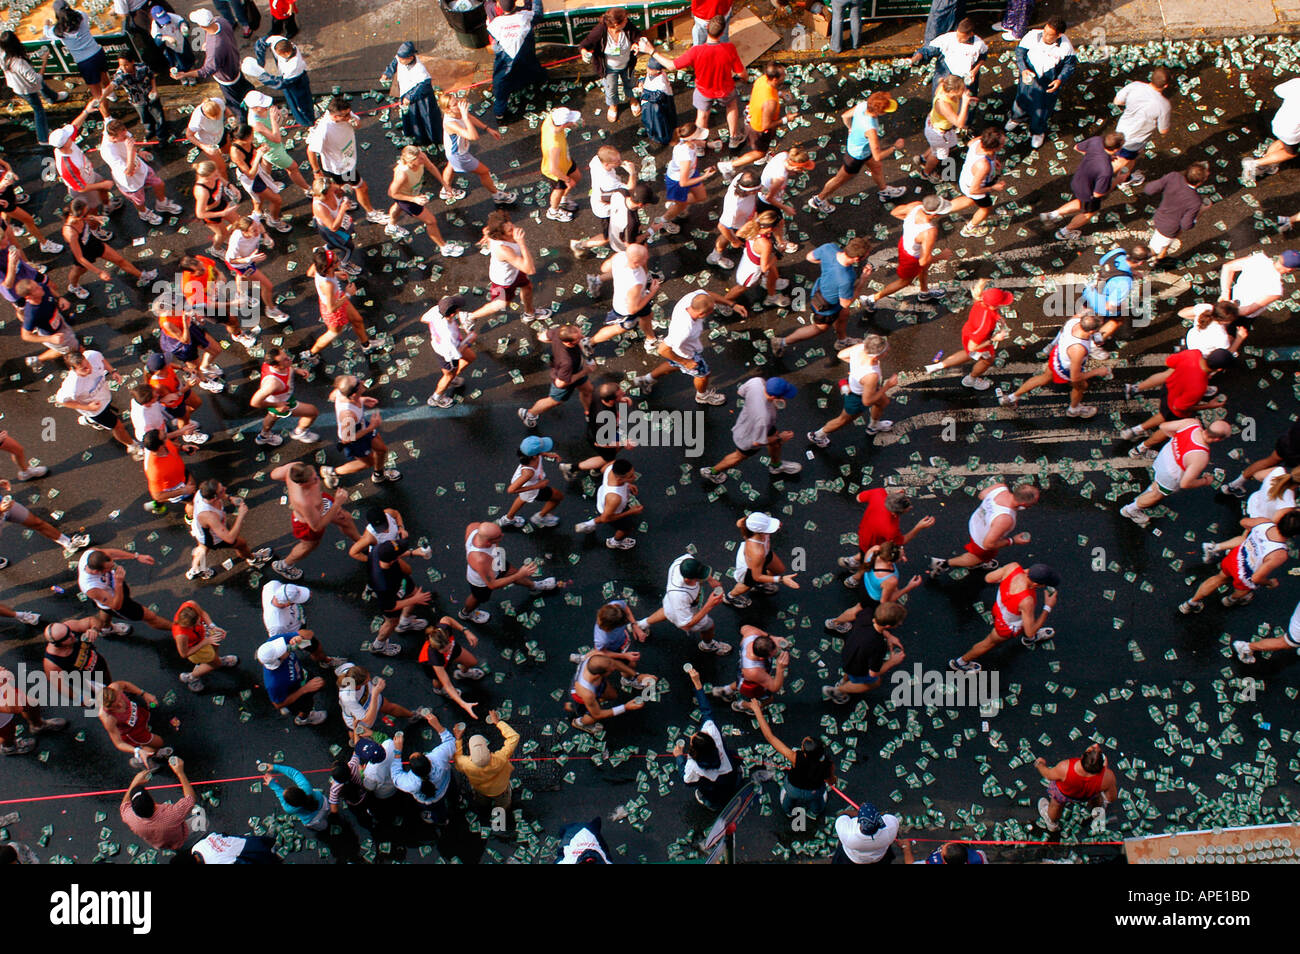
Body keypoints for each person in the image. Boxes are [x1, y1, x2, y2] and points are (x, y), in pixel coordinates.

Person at [633, 290, 742, 406]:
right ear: (702, 314)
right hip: (686, 354)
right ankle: (702, 395)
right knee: (703, 375)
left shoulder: (691, 299)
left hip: (678, 349)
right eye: (711, 310)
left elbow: (708, 295)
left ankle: (646, 380)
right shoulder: (685, 329)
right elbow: (662, 349)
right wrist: (686, 362)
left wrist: (732, 304)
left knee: (674, 364)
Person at [1119, 347, 1231, 458]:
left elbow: (1170, 361)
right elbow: (1179, 407)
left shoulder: (1193, 354)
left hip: (1168, 391)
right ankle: (1140, 449)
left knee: (1163, 414)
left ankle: (1135, 430)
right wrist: (1208, 406)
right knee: (1167, 430)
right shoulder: (1199, 386)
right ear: (1219, 369)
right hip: (1176, 411)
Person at [1179, 511, 1300, 613]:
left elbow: (1243, 522)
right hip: (1245, 574)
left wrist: (1251, 533)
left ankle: (1191, 602)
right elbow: (1256, 578)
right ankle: (1230, 600)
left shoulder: (1264, 522)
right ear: (1294, 535)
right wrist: (1270, 583)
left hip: (1235, 557)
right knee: (1243, 590)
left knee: (1219, 578)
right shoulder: (1280, 554)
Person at [655, 16, 746, 148]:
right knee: (731, 106)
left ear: (707, 28)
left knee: (702, 115)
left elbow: (671, 65)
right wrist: (745, 79)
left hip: (704, 90)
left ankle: (699, 146)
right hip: (725, 89)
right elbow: (741, 73)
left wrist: (652, 52)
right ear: (722, 32)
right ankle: (733, 138)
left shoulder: (696, 51)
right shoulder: (729, 48)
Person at [808, 91, 906, 215]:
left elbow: (845, 116)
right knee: (839, 180)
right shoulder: (870, 129)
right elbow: (877, 156)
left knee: (877, 167)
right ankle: (818, 200)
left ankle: (884, 192)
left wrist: (850, 128)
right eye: (886, 109)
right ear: (879, 111)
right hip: (856, 156)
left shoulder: (863, 105)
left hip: (862, 150)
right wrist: (895, 147)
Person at [949, 562, 1060, 672]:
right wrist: (1048, 607)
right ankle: (961, 663)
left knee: (1025, 621)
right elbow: (1030, 630)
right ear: (1036, 584)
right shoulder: (1027, 601)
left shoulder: (1013, 567)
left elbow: (989, 578)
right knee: (988, 643)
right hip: (1007, 626)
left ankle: (1029, 640)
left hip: (999, 609)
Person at [1120, 419, 1231, 527]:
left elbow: (1163, 426)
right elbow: (1185, 484)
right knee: (1157, 494)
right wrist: (1205, 481)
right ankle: (1130, 510)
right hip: (1170, 475)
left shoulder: (1192, 423)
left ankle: (1151, 490)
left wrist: (1176, 441)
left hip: (1163, 457)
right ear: (1217, 439)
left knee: (1158, 484)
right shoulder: (1201, 456)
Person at [999, 310, 1110, 417]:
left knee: (1044, 378)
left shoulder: (1074, 321)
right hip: (1065, 369)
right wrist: (1097, 371)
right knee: (1081, 386)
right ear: (1091, 331)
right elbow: (1075, 377)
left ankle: (1011, 397)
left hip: (1057, 357)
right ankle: (1073, 409)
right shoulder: (1078, 349)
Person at [771, 238, 871, 356]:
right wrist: (862, 281)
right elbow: (845, 303)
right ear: (857, 259)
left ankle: (842, 340)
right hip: (826, 305)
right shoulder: (847, 277)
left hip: (819, 289)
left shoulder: (829, 248)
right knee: (819, 328)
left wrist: (826, 263)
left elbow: (809, 257)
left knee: (844, 313)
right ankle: (781, 342)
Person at [699, 376, 801, 483]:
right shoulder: (764, 416)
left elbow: (740, 392)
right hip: (747, 436)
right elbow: (757, 442)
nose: (785, 399)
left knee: (775, 442)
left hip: (754, 423)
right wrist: (780, 437)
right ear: (773, 397)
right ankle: (713, 472)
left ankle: (776, 466)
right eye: (784, 396)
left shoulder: (756, 381)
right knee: (739, 456)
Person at [268, 461, 360, 580]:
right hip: (309, 521)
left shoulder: (295, 468)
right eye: (314, 480)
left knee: (345, 518)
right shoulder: (304, 501)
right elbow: (316, 526)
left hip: (322, 502)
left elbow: (273, 474)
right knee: (309, 546)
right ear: (302, 484)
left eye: (315, 475)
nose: (317, 479)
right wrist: (337, 503)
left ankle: (361, 543)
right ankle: (284, 565)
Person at [928, 482, 1039, 577]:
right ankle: (945, 563)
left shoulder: (1000, 487)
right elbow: (988, 544)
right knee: (977, 558)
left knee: (976, 553)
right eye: (1033, 503)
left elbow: (981, 495)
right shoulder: (1005, 518)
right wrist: (1013, 541)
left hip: (975, 523)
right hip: (981, 540)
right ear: (1024, 504)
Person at [306, 96, 387, 224]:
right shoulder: (324, 129)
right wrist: (316, 172)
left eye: (349, 113)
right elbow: (311, 150)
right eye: (345, 116)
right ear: (335, 116)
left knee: (339, 188)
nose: (349, 116)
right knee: (361, 187)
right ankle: (371, 213)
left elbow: (358, 124)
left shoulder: (344, 112)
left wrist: (355, 122)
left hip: (347, 160)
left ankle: (341, 204)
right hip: (340, 166)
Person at [863, 194, 952, 309]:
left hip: (904, 244)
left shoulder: (916, 206)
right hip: (911, 258)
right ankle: (871, 299)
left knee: (923, 270)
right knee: (904, 282)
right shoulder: (929, 231)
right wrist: (940, 256)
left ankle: (924, 293)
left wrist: (910, 223)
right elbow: (923, 261)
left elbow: (894, 212)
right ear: (935, 215)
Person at [808, 335, 897, 447]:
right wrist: (888, 385)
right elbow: (867, 402)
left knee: (883, 402)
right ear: (875, 357)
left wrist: (856, 370)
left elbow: (841, 355)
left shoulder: (860, 347)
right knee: (843, 420)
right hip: (857, 397)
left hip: (867, 387)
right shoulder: (871, 375)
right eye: (886, 351)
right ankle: (817, 436)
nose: (888, 350)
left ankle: (873, 426)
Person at [747, 700, 834, 816]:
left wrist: (757, 710)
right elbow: (831, 780)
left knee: (789, 799)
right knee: (817, 801)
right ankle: (815, 811)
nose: (803, 741)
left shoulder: (794, 757)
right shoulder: (827, 763)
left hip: (794, 789)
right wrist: (833, 779)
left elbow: (770, 737)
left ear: (804, 753)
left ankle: (788, 811)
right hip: (814, 791)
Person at [460, 520, 556, 624]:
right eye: (499, 536)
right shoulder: (479, 559)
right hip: (482, 580)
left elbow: (494, 546)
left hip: (495, 561)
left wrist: (499, 557)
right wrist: (520, 574)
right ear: (488, 542)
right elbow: (492, 585)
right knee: (477, 597)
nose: (503, 535)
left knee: (513, 572)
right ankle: (466, 613)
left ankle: (534, 587)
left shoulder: (474, 526)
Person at [922, 279, 1012, 390]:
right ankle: (971, 379)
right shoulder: (985, 324)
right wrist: (994, 338)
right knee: (987, 360)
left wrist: (982, 282)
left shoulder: (981, 301)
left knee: (968, 353)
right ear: (995, 305)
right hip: (979, 340)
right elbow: (973, 347)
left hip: (968, 332)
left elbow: (979, 293)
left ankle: (938, 366)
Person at [1004, 17, 1076, 150]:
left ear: (1059, 35)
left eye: (1049, 35)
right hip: (1029, 75)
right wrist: (1023, 69)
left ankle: (1038, 131)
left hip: (1048, 80)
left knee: (1042, 108)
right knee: (1021, 98)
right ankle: (1016, 118)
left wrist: (1060, 79)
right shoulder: (1031, 36)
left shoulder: (1066, 47)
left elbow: (1069, 66)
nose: (1045, 36)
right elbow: (1020, 53)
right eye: (1045, 31)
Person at [56, 350, 143, 459]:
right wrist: (87, 407)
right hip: (96, 410)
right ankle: (132, 445)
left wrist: (113, 371)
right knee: (118, 426)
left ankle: (88, 420)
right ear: (73, 370)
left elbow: (101, 360)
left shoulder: (92, 355)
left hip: (105, 396)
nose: (89, 369)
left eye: (87, 363)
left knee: (110, 410)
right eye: (83, 369)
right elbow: (61, 401)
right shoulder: (71, 386)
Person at [639, 553, 732, 655]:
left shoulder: (684, 561)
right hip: (685, 610)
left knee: (667, 610)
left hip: (672, 603)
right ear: (688, 579)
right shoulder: (679, 596)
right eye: (699, 577)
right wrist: (709, 605)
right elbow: (685, 625)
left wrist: (711, 580)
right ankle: (707, 645)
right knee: (708, 625)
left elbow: (697, 567)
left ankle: (642, 624)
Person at [60, 200, 156, 297]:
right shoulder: (70, 232)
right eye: (85, 212)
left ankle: (142, 276)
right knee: (79, 271)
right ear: (78, 214)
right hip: (83, 252)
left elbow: (85, 217)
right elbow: (80, 258)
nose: (87, 213)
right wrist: (100, 272)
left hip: (93, 243)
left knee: (120, 260)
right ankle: (74, 286)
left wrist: (95, 218)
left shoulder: (79, 216)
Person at [675, 665, 738, 809]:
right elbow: (706, 710)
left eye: (692, 740)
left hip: (711, 783)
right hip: (729, 769)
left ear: (694, 751)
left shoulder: (693, 765)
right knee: (730, 779)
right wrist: (698, 684)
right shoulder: (712, 732)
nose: (693, 734)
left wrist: (679, 757)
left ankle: (712, 804)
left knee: (710, 793)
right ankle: (735, 781)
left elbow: (687, 781)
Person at [319, 375, 400, 488]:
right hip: (355, 438)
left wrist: (362, 400)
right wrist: (371, 427)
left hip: (361, 425)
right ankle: (333, 472)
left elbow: (332, 396)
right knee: (368, 463)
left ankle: (378, 475)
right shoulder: (348, 415)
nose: (362, 381)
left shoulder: (341, 391)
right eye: (358, 383)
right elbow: (346, 439)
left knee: (381, 450)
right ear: (353, 394)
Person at [386, 146, 468, 256]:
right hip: (407, 198)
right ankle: (444, 247)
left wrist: (445, 184)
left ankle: (391, 225)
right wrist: (414, 199)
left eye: (421, 154)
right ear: (411, 161)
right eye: (418, 158)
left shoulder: (421, 156)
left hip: (412, 193)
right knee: (431, 221)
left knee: (398, 206)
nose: (422, 158)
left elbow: (431, 167)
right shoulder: (403, 174)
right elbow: (392, 193)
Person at [422, 294, 501, 408]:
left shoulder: (436, 310)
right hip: (447, 354)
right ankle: (436, 398)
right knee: (448, 376)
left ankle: (452, 379)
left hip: (448, 346)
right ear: (453, 313)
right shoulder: (448, 334)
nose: (461, 308)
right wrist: (470, 340)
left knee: (471, 357)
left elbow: (423, 318)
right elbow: (456, 353)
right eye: (458, 307)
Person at [1040, 132, 1124, 240]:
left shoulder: (1096, 140)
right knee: (1089, 213)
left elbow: (1077, 147)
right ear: (1116, 149)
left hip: (1078, 180)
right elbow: (1098, 194)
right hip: (1088, 190)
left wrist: (1097, 157)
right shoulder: (1106, 170)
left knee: (1081, 202)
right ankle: (1064, 232)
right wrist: (1117, 181)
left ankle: (1051, 215)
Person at [99, 119, 183, 227]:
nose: (126, 137)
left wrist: (138, 152)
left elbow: (131, 143)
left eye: (126, 133)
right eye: (123, 137)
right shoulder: (107, 152)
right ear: (114, 138)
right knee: (139, 201)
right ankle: (143, 213)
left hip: (141, 168)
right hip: (129, 180)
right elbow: (128, 172)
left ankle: (162, 204)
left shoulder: (119, 131)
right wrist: (130, 152)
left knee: (159, 183)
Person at [437, 91, 515, 204]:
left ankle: (445, 190)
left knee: (451, 166)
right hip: (459, 155)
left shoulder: (456, 112)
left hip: (453, 152)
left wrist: (487, 128)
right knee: (484, 172)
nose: (458, 104)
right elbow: (473, 136)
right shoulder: (450, 123)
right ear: (448, 110)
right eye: (455, 104)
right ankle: (497, 195)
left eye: (457, 101)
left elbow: (470, 117)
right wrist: (464, 116)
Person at [171, 8, 252, 115]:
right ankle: (252, 98)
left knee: (235, 103)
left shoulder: (215, 48)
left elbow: (206, 71)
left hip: (227, 78)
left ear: (201, 26)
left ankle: (243, 120)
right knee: (245, 88)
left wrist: (184, 74)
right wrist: (207, 44)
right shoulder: (221, 21)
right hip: (235, 64)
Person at [187, 478, 272, 580]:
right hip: (211, 537)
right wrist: (241, 515)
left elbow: (219, 496)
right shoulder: (209, 515)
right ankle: (253, 559)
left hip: (201, 530)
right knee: (241, 544)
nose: (225, 489)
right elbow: (230, 538)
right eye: (221, 491)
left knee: (203, 548)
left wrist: (230, 498)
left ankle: (195, 570)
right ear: (214, 497)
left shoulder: (201, 493)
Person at [823, 600, 906, 703]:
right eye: (898, 624)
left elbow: (874, 623)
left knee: (849, 671)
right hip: (858, 667)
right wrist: (892, 662)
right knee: (875, 683)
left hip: (848, 652)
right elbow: (873, 673)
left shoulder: (866, 614)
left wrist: (888, 636)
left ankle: (844, 681)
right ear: (888, 626)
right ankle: (838, 691)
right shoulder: (878, 645)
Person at [717, 63, 789, 181]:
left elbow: (764, 93)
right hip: (759, 128)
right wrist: (786, 119)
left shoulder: (762, 80)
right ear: (775, 79)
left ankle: (760, 152)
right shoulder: (770, 102)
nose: (785, 76)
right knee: (759, 153)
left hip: (751, 117)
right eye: (783, 75)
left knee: (757, 145)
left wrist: (780, 94)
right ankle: (729, 165)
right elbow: (766, 125)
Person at [49, 102, 122, 215]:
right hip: (84, 187)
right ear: (65, 142)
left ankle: (107, 206)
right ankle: (95, 229)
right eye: (68, 136)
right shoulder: (67, 166)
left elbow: (75, 126)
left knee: (102, 188)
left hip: (89, 176)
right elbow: (80, 187)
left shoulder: (67, 144)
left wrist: (86, 111)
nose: (72, 134)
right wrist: (103, 185)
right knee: (91, 208)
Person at [77, 547, 169, 636]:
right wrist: (119, 583)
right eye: (108, 569)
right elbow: (116, 606)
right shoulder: (90, 587)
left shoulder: (91, 554)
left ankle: (106, 628)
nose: (113, 568)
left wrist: (137, 556)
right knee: (150, 617)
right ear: (97, 572)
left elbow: (112, 553)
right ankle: (177, 628)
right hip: (117, 601)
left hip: (111, 591)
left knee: (104, 608)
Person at [43, 0, 111, 118]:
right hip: (97, 53)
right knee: (104, 76)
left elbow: (46, 33)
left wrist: (46, 23)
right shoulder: (81, 16)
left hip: (86, 63)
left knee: (97, 95)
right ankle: (112, 94)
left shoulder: (57, 30)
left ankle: (107, 118)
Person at [366, 540, 432, 657]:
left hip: (401, 582)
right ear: (393, 560)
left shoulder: (378, 551)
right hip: (391, 596)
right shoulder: (383, 583)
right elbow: (389, 606)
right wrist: (415, 600)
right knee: (391, 622)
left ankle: (405, 623)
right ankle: (379, 646)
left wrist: (412, 553)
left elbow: (400, 562)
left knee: (413, 592)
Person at [579, 8, 646, 124]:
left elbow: (637, 36)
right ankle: (613, 105)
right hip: (609, 68)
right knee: (611, 89)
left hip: (627, 64)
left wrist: (636, 44)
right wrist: (584, 52)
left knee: (630, 83)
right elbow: (584, 44)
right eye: (625, 20)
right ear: (616, 24)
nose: (627, 21)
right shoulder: (600, 30)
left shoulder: (627, 26)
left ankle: (633, 99)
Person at [1, 30, 68, 146]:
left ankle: (53, 97)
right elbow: (36, 79)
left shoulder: (2, 55)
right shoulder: (19, 62)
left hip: (17, 85)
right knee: (38, 110)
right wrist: (44, 60)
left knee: (40, 86)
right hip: (25, 89)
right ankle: (43, 138)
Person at [392, 711, 458, 826]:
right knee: (453, 793)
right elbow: (450, 742)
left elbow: (396, 776)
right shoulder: (438, 758)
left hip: (429, 801)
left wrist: (397, 751)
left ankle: (442, 821)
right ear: (427, 758)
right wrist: (438, 726)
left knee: (437, 810)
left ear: (412, 770)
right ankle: (457, 800)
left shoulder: (410, 783)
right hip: (446, 784)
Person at [519, 324, 594, 425]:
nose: (582, 337)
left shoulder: (559, 332)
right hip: (566, 376)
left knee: (587, 390)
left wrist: (555, 342)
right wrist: (586, 371)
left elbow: (542, 337)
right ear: (569, 343)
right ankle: (529, 414)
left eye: (580, 332)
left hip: (576, 370)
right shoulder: (567, 361)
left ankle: (589, 413)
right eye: (578, 338)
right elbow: (561, 383)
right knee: (555, 400)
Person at [1035, 742, 1118, 833]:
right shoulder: (1107, 776)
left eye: (1091, 750)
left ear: (1082, 757)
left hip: (1063, 794)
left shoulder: (1065, 767)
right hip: (1088, 795)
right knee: (1098, 800)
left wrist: (1040, 765)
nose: (1096, 745)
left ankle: (1052, 823)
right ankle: (1097, 812)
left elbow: (1048, 775)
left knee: (1055, 806)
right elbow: (1111, 797)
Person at [486, 0, 546, 124]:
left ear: (500, 8)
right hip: (526, 57)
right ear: (515, 3)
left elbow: (494, 44)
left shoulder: (495, 23)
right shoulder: (525, 16)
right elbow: (538, 14)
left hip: (505, 64)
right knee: (534, 72)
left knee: (501, 88)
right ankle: (539, 84)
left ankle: (499, 114)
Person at [120, 756, 198, 851]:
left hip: (159, 843)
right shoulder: (171, 815)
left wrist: (134, 783)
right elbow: (190, 799)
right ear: (152, 801)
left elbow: (124, 805)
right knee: (203, 822)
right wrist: (180, 773)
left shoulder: (130, 817)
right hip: (181, 839)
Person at [1112, 67, 1172, 188]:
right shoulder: (1164, 105)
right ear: (1166, 85)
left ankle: (1126, 177)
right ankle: (1107, 179)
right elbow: (1163, 130)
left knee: (1127, 159)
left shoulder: (1135, 85)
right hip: (1136, 139)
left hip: (1121, 130)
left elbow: (1117, 101)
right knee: (1122, 161)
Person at [722, 513, 799, 607]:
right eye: (769, 528)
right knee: (747, 585)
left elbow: (739, 523)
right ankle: (730, 597)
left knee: (779, 569)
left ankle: (759, 585)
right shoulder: (756, 552)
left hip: (764, 554)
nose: (777, 527)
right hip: (749, 569)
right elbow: (756, 576)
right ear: (758, 532)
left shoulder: (749, 523)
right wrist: (782, 579)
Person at [452, 709, 519, 818]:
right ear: (487, 750)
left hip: (481, 790)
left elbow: (457, 759)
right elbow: (514, 737)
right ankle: (500, 818)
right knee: (502, 804)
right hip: (500, 789)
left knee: (481, 800)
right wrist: (498, 722)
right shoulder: (500, 759)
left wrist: (458, 739)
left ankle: (483, 809)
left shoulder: (465, 764)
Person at [567, 649, 649, 735]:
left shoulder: (595, 656)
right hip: (580, 698)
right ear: (599, 675)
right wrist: (625, 707)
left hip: (597, 685)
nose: (614, 668)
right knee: (592, 717)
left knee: (613, 695)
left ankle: (598, 701)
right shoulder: (587, 693)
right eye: (610, 670)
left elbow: (613, 663)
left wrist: (637, 676)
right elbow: (597, 714)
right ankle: (579, 723)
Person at [251, 347, 320, 447]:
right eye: (285, 359)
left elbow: (286, 367)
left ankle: (264, 436)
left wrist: (296, 370)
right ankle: (300, 432)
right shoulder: (273, 383)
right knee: (312, 412)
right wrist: (277, 405)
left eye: (286, 355)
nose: (290, 359)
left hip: (278, 399)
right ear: (276, 365)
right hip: (283, 402)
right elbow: (254, 402)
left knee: (272, 416)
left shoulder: (271, 364)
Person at [484, 210, 545, 324]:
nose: (514, 230)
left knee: (527, 287)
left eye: (512, 225)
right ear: (500, 235)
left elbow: (486, 230)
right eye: (510, 230)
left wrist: (485, 237)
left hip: (515, 269)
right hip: (503, 281)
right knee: (500, 304)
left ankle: (529, 313)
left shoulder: (493, 231)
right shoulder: (503, 250)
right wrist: (521, 243)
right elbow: (530, 270)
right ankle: (470, 317)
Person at [246, 91, 311, 194]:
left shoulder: (263, 109)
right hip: (272, 149)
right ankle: (307, 189)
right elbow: (276, 138)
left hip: (268, 146)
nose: (267, 107)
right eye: (263, 106)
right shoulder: (256, 123)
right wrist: (273, 119)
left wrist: (279, 116)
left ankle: (268, 182)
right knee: (293, 167)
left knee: (267, 162)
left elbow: (278, 124)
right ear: (254, 108)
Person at [379, 41, 443, 147]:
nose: (399, 60)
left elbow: (425, 86)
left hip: (422, 99)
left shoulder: (419, 69)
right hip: (406, 93)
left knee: (424, 118)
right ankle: (413, 133)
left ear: (410, 57)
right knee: (410, 116)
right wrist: (387, 73)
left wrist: (410, 97)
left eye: (401, 59)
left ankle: (429, 139)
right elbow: (394, 62)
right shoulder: (401, 59)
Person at [418, 618, 484, 718]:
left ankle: (463, 673)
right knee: (438, 681)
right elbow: (447, 684)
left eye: (448, 647)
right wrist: (463, 703)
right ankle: (439, 690)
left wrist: (466, 631)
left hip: (454, 651)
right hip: (433, 665)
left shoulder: (444, 629)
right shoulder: (434, 658)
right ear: (437, 649)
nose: (448, 651)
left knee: (472, 662)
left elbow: (447, 619)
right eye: (445, 651)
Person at [1143, 161, 1209, 261]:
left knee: (1164, 243)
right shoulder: (1195, 201)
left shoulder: (1173, 177)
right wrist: (1202, 211)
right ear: (1200, 182)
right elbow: (1186, 225)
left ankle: (1162, 254)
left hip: (1160, 216)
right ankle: (1136, 260)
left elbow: (1149, 189)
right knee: (1152, 250)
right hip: (1168, 229)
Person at [1241, 76, 1300, 186]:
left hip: (1280, 121)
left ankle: (1266, 164)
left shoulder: (1297, 83)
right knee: (1291, 153)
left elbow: (1278, 90)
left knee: (1282, 142)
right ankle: (1254, 164)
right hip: (1292, 132)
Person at [913, 75, 974, 183]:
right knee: (937, 155)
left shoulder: (943, 86)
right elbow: (959, 123)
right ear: (952, 91)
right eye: (962, 89)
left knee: (936, 147)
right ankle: (926, 173)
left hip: (935, 125)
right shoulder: (944, 105)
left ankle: (922, 158)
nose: (965, 91)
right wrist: (965, 103)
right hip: (939, 133)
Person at [228, 125, 290, 230]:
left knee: (258, 199)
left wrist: (261, 148)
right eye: (251, 135)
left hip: (258, 172)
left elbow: (254, 151)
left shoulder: (247, 142)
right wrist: (259, 155)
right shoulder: (236, 152)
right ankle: (274, 220)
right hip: (251, 179)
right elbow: (250, 175)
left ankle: (257, 213)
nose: (253, 136)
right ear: (245, 138)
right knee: (277, 200)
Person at [98, 680, 171, 770]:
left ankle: (147, 752)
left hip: (139, 716)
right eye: (116, 706)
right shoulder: (108, 718)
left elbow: (125, 685)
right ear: (108, 707)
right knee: (159, 742)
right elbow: (118, 743)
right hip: (133, 732)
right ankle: (142, 759)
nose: (121, 704)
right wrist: (136, 751)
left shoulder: (115, 687)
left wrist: (144, 694)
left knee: (150, 722)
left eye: (120, 698)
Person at [256, 634, 327, 725]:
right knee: (306, 706)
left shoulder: (272, 643)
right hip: (296, 694)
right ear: (277, 660)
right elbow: (278, 704)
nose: (286, 647)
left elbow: (296, 635)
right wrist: (305, 689)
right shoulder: (274, 683)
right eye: (281, 651)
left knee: (319, 684)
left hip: (302, 676)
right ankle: (303, 718)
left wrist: (298, 637)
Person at [1218, 249, 1298, 328]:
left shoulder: (1259, 259)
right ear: (1290, 269)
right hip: (1240, 313)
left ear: (1280, 257)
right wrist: (1227, 312)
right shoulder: (1276, 289)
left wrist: (1225, 293)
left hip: (1231, 297)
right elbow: (1248, 310)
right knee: (1233, 333)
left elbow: (1227, 267)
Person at [574, 458, 643, 550]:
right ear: (619, 479)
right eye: (630, 477)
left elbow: (602, 469)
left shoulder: (611, 466)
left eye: (633, 474)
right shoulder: (615, 498)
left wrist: (627, 484)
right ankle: (615, 542)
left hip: (603, 498)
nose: (634, 477)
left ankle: (588, 524)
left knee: (606, 513)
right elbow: (605, 518)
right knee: (626, 529)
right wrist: (630, 512)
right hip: (611, 509)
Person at [657, 122, 716, 230]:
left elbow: (697, 143)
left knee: (701, 196)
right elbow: (683, 183)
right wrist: (705, 176)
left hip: (691, 173)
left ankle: (676, 203)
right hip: (677, 180)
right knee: (682, 205)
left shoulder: (687, 140)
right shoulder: (686, 156)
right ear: (690, 138)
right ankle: (664, 220)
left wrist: (708, 145)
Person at [950, 125, 1006, 237]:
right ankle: (970, 228)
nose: (1004, 145)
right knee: (986, 209)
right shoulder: (983, 166)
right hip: (974, 188)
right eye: (1002, 144)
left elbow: (970, 144)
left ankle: (937, 210)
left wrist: (994, 161)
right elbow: (974, 190)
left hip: (966, 178)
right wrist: (994, 187)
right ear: (994, 147)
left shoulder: (978, 141)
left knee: (969, 200)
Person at [498, 436, 565, 529]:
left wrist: (547, 454)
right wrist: (537, 486)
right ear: (534, 456)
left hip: (524, 485)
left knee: (522, 498)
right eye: (542, 450)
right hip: (532, 489)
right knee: (558, 497)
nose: (543, 451)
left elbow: (539, 453)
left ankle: (508, 519)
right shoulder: (528, 473)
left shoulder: (529, 456)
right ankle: (540, 517)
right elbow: (511, 490)